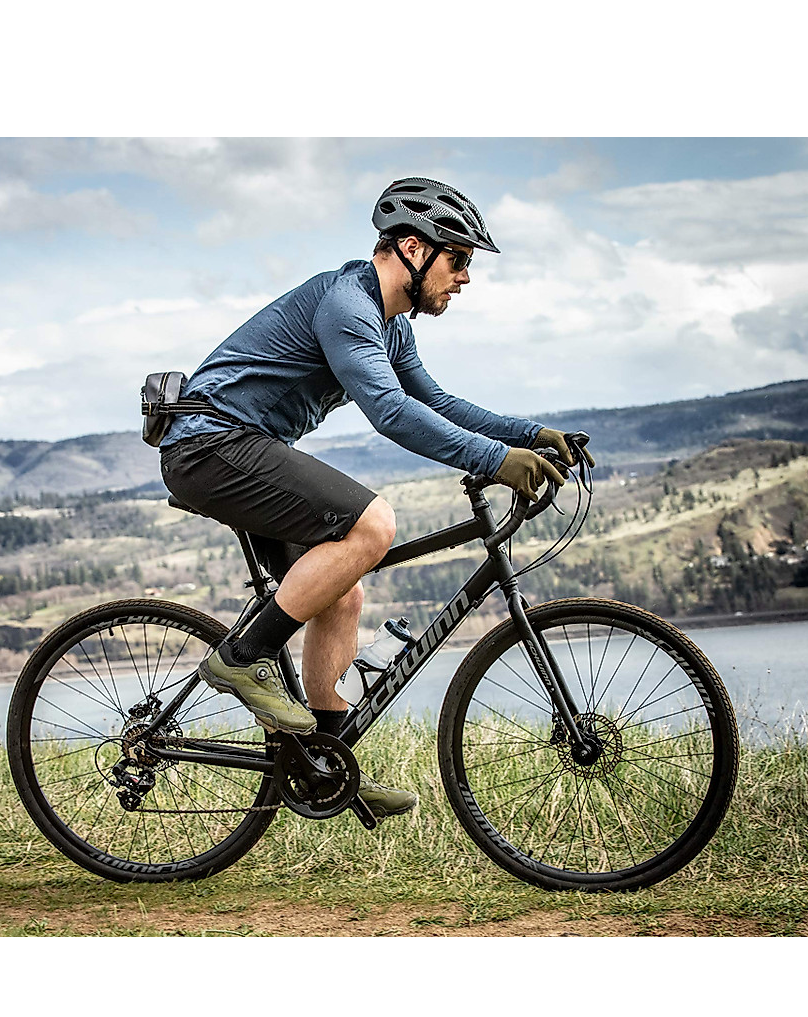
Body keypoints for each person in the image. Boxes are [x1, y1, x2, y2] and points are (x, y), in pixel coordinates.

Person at [159, 177, 592, 818]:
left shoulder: (390, 327)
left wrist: (528, 435)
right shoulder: (347, 305)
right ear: (413, 248)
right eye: (459, 259)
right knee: (373, 524)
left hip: (242, 447)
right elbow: (390, 412)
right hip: (210, 445)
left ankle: (325, 762)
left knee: (343, 589)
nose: (465, 277)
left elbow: (435, 402)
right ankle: (242, 660)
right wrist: (495, 461)